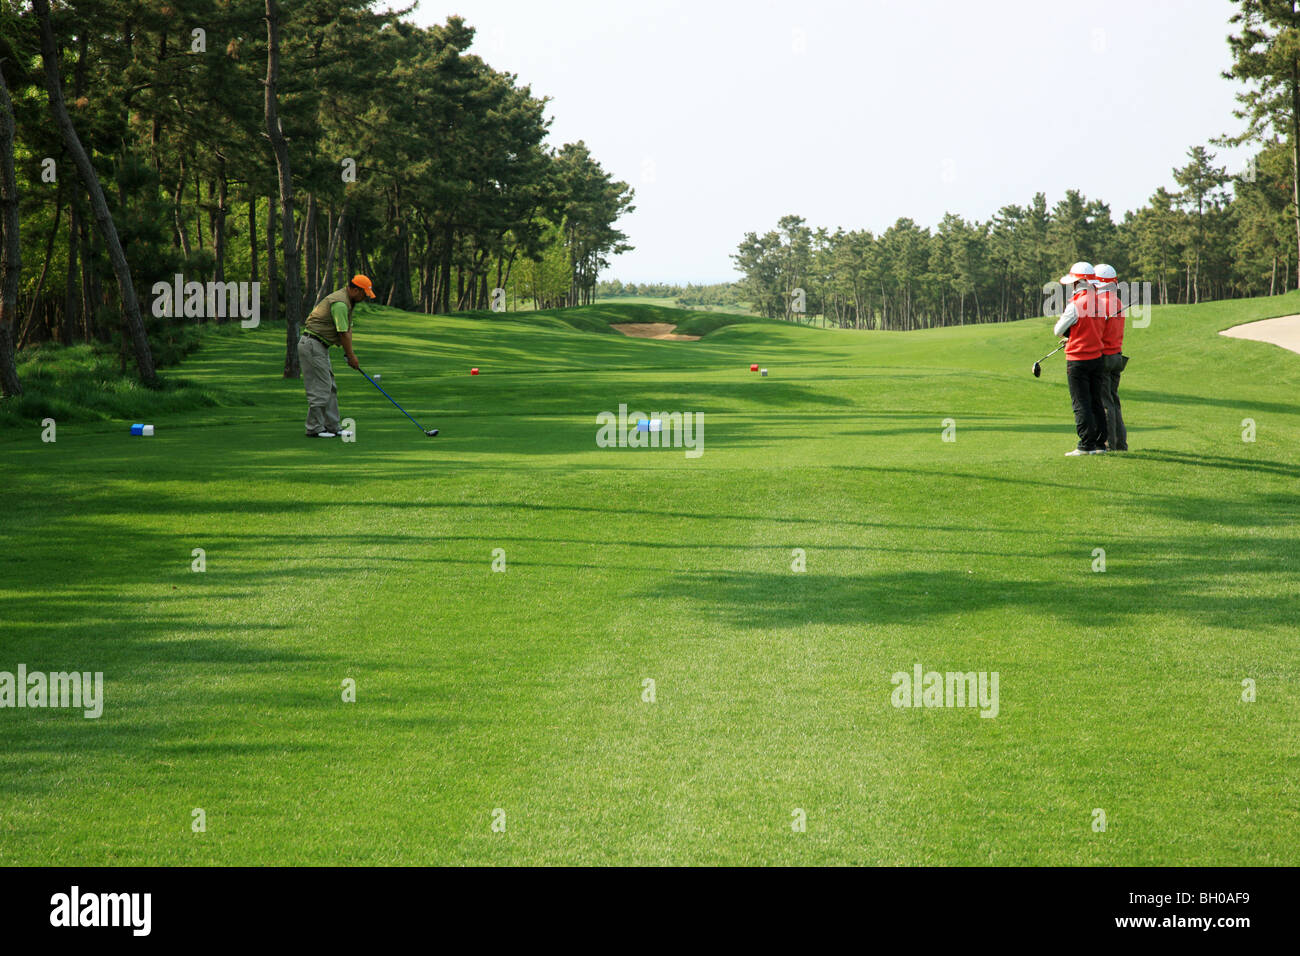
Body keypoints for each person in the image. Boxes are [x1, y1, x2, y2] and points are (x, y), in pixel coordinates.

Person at [298, 275, 376, 437]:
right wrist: (351, 355)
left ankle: (333, 426)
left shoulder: (348, 302)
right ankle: (314, 428)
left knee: (330, 387)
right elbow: (342, 333)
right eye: (363, 294)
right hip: (312, 344)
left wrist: (349, 354)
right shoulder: (340, 303)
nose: (364, 298)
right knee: (321, 386)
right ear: (355, 290)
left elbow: (348, 331)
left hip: (319, 346)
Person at [1052, 261, 1107, 456]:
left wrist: (1069, 335)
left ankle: (1086, 445)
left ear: (1079, 283)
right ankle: (1100, 443)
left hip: (1078, 359)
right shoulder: (1101, 302)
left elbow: (1057, 330)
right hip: (1097, 358)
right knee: (1095, 401)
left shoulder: (1076, 304)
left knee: (1081, 403)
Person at [1093, 263, 1128, 451]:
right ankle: (1120, 444)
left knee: (1105, 403)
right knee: (1114, 402)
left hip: (1104, 357)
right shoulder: (1117, 302)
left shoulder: (1099, 304)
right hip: (1117, 356)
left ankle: (1109, 444)